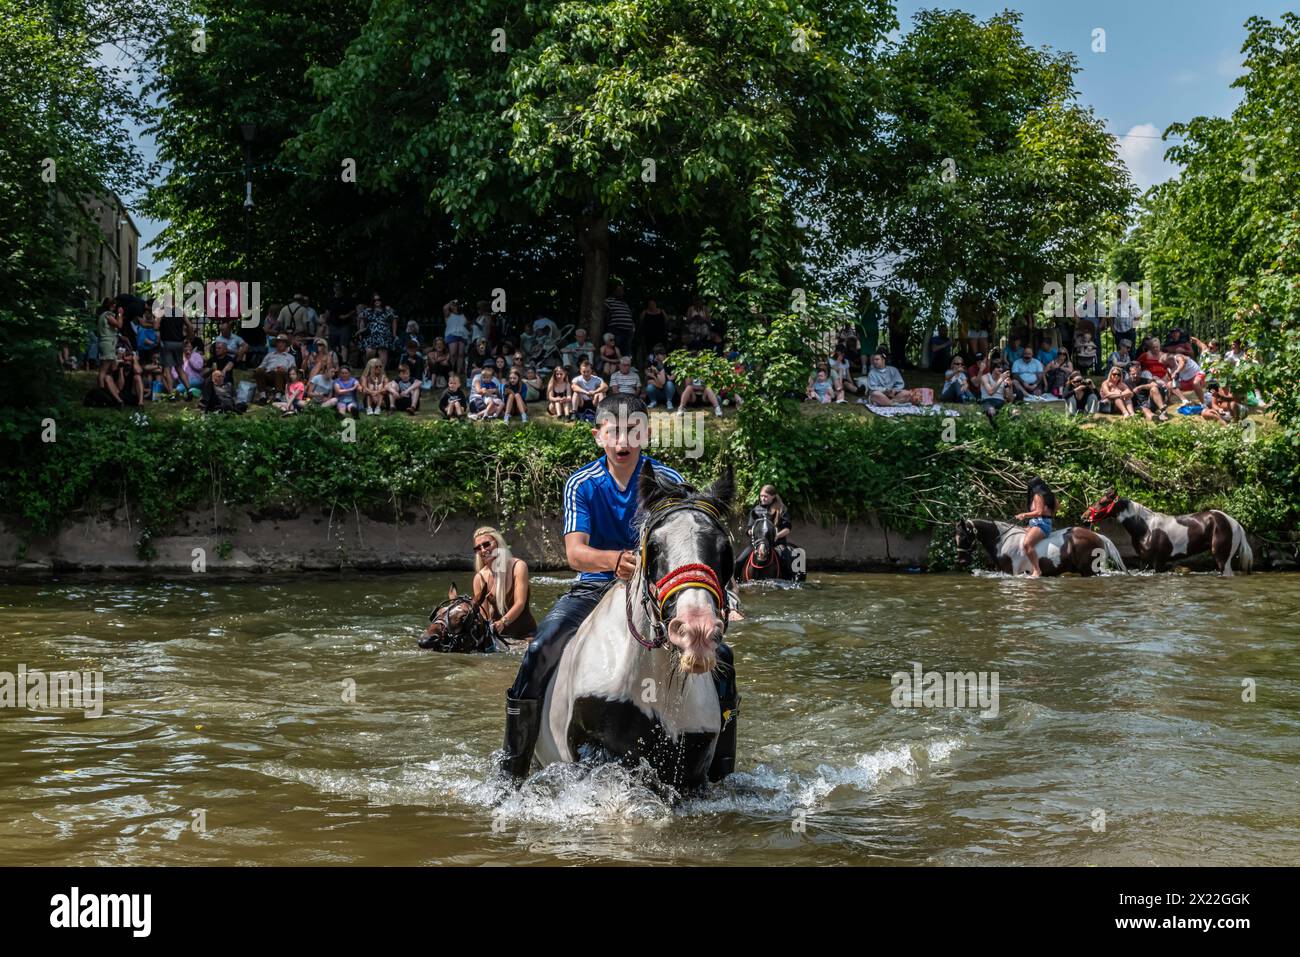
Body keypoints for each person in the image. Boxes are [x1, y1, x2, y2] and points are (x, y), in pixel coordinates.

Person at [499, 393, 736, 784]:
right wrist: (614, 561)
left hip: (659, 595)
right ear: (598, 436)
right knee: (540, 649)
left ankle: (723, 772)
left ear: (645, 435)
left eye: (633, 432)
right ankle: (511, 770)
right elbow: (575, 554)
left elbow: (693, 545)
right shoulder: (582, 483)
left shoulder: (671, 481)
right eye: (615, 432)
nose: (623, 442)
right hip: (593, 588)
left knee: (722, 657)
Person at [471, 527, 537, 643]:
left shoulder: (518, 566)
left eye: (486, 544)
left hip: (526, 635)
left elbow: (520, 603)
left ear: (497, 543)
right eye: (478, 548)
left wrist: (503, 622)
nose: (483, 550)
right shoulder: (479, 578)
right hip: (499, 637)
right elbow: (484, 616)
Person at [734, 484, 794, 572]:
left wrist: (776, 536)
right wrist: (750, 531)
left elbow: (787, 529)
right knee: (738, 562)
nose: (762, 498)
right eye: (761, 496)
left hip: (776, 544)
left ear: (773, 496)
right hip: (757, 544)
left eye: (766, 496)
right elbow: (749, 528)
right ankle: (735, 584)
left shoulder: (782, 509)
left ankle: (790, 583)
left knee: (787, 563)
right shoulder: (755, 510)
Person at [1015, 477, 1056, 578]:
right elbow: (1058, 507)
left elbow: (1039, 512)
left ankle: (1037, 570)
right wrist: (1050, 512)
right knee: (1017, 533)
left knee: (1027, 544)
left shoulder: (1038, 495)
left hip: (1041, 524)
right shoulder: (1050, 495)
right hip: (1041, 522)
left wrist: (1024, 515)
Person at [358, 292, 398, 371]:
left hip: (384, 334)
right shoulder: (368, 310)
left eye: (378, 299)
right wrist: (360, 332)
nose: (377, 301)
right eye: (374, 300)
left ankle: (381, 372)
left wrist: (394, 333)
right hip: (371, 335)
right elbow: (361, 320)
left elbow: (394, 320)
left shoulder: (388, 309)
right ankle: (369, 370)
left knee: (382, 352)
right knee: (369, 351)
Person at [254, 334, 297, 401]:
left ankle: (278, 397)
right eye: (278, 342)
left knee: (279, 372)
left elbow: (293, 370)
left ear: (286, 345)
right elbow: (261, 366)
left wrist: (285, 370)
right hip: (269, 374)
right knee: (259, 372)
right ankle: (263, 397)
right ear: (276, 344)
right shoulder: (269, 355)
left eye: (283, 342)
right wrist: (259, 369)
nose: (280, 344)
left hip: (283, 375)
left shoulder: (290, 357)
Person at [324, 282, 356, 365]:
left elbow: (353, 311)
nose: (337, 290)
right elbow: (327, 312)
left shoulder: (347, 299)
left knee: (344, 345)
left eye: (339, 289)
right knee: (333, 345)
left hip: (344, 325)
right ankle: (334, 362)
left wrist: (346, 316)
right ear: (334, 289)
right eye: (336, 288)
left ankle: (344, 362)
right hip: (333, 325)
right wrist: (325, 322)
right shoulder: (330, 299)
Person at [603, 284, 635, 358]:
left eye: (622, 291)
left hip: (628, 331)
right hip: (616, 330)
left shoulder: (625, 304)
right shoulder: (609, 301)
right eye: (618, 290)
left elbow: (630, 315)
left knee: (626, 351)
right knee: (616, 350)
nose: (621, 292)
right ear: (614, 291)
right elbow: (605, 314)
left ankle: (626, 366)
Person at [978, 359, 1013, 424]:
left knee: (1015, 412)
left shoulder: (1004, 379)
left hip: (1001, 402)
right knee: (991, 411)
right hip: (987, 401)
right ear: (993, 368)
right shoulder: (985, 377)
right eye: (998, 367)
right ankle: (995, 431)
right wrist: (1001, 379)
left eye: (1002, 368)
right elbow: (990, 392)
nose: (1000, 369)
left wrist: (1010, 386)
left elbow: (1010, 399)